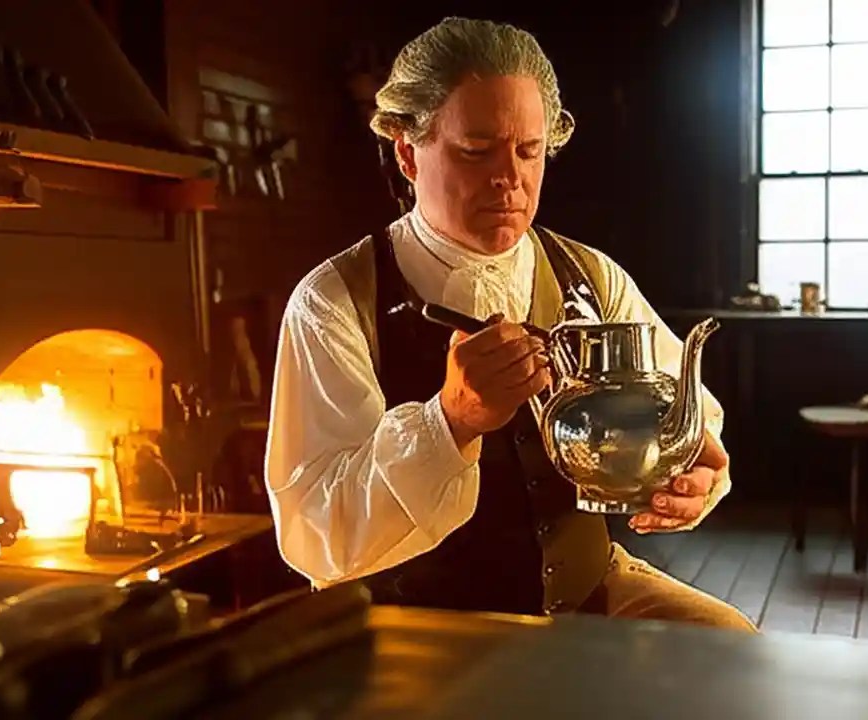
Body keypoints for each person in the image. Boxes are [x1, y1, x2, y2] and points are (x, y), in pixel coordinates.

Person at [264, 17, 754, 632]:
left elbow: (691, 419)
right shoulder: (334, 304)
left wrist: (699, 472)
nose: (510, 177)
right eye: (477, 150)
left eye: (529, 151)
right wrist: (450, 423)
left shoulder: (590, 276)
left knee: (734, 657)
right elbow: (315, 540)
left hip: (588, 595)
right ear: (409, 154)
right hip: (415, 626)